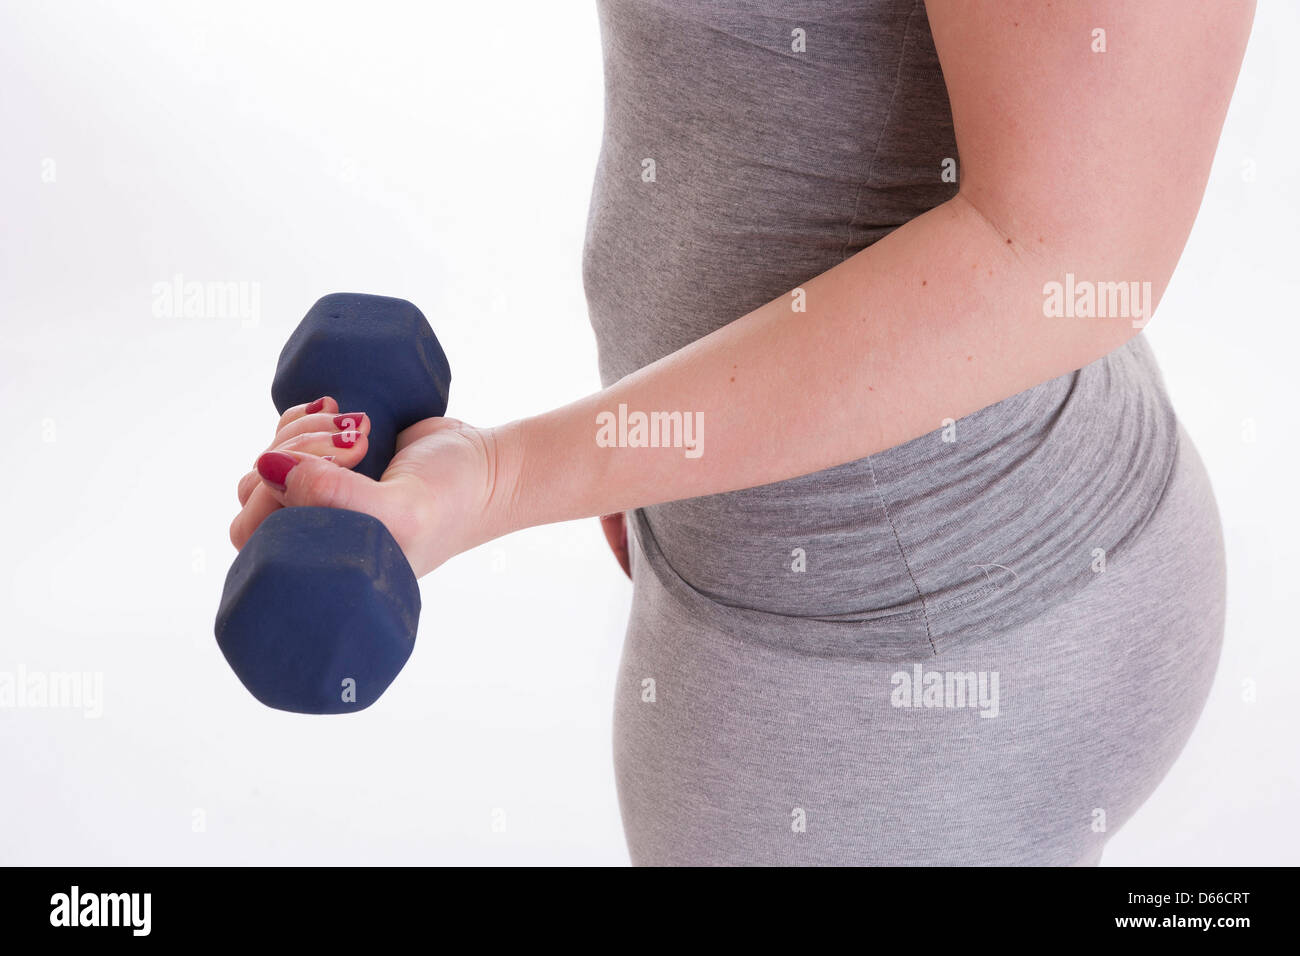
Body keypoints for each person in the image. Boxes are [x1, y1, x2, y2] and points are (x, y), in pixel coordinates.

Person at [231, 0, 1256, 865]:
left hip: (915, 660)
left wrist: (511, 475)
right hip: (799, 576)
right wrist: (653, 450)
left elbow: (1057, 262)